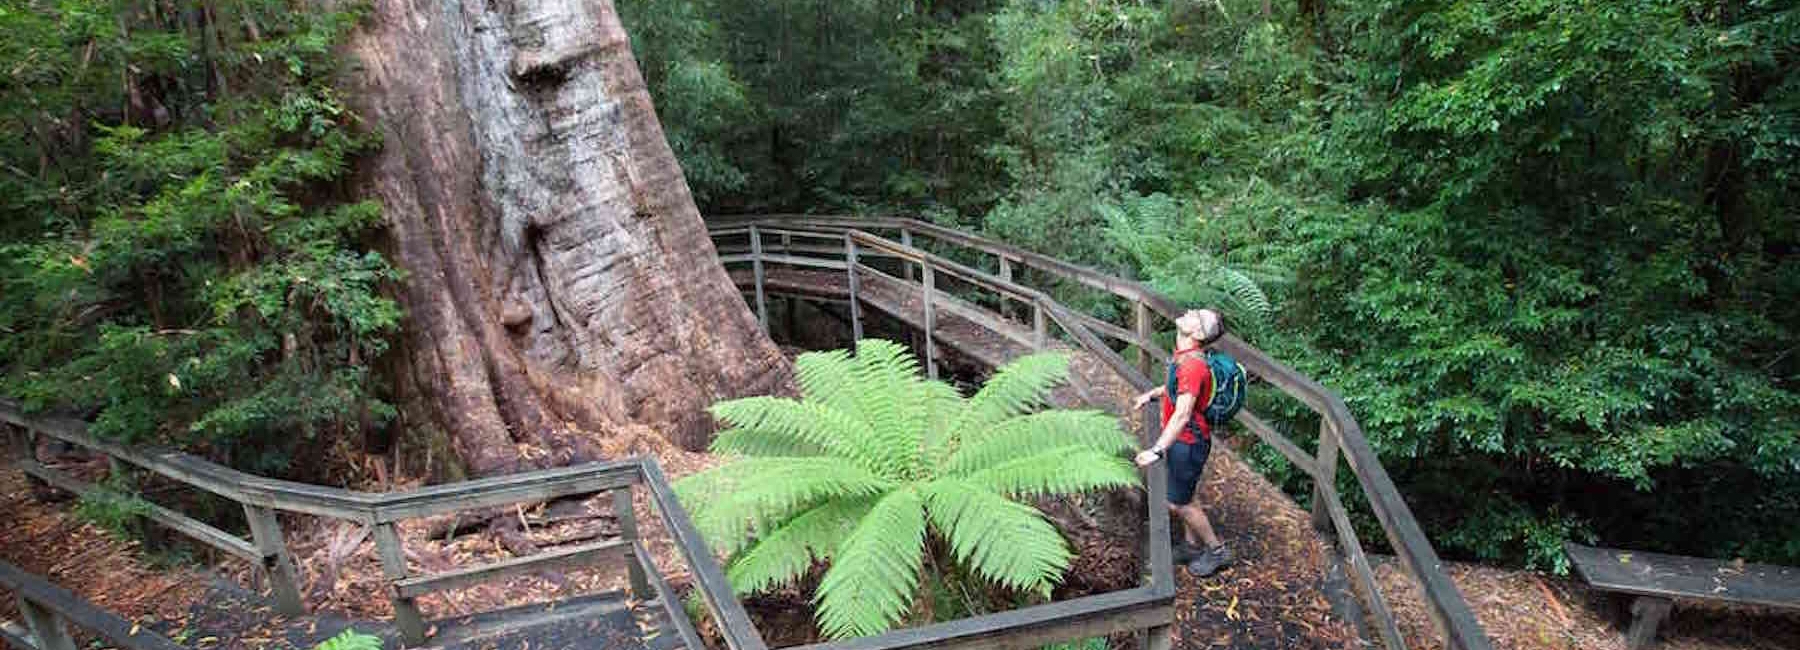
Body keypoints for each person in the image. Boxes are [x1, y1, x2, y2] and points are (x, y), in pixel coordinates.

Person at [1132, 308, 1233, 577]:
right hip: (1185, 439)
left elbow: (1183, 413)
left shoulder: (1193, 365)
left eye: (1196, 316)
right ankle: (1190, 546)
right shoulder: (1187, 356)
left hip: (1187, 442)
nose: (1189, 312)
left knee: (1179, 504)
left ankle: (1217, 550)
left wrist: (1157, 450)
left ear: (1198, 333)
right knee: (1187, 494)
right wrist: (1152, 395)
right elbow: (1178, 387)